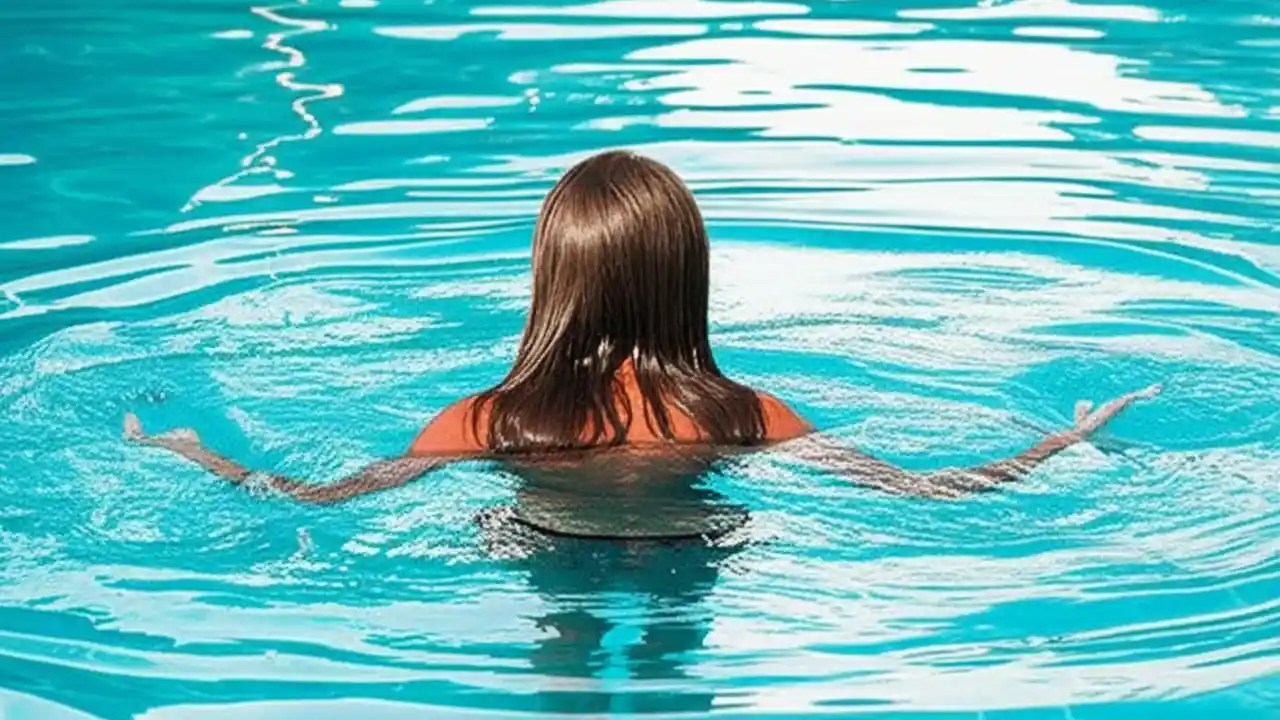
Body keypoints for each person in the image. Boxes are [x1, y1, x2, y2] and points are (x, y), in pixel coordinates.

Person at [124, 149, 1160, 510]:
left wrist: (199, 456)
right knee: (673, 663)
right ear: (685, 280)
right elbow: (926, 492)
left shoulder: (487, 424)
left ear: (551, 280)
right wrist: (1063, 441)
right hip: (689, 542)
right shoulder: (746, 414)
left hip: (540, 531)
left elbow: (321, 496)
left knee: (560, 651)